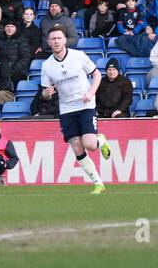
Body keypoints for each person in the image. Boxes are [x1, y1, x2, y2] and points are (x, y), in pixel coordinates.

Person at [40, 27, 109, 193]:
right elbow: (44, 93)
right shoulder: (47, 65)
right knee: (77, 147)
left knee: (90, 144)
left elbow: (97, 75)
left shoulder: (78, 56)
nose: (56, 41)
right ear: (49, 42)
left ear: (64, 40)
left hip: (85, 105)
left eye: (59, 38)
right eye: (53, 39)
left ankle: (102, 141)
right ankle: (98, 184)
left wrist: (91, 93)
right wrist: (47, 93)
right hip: (66, 109)